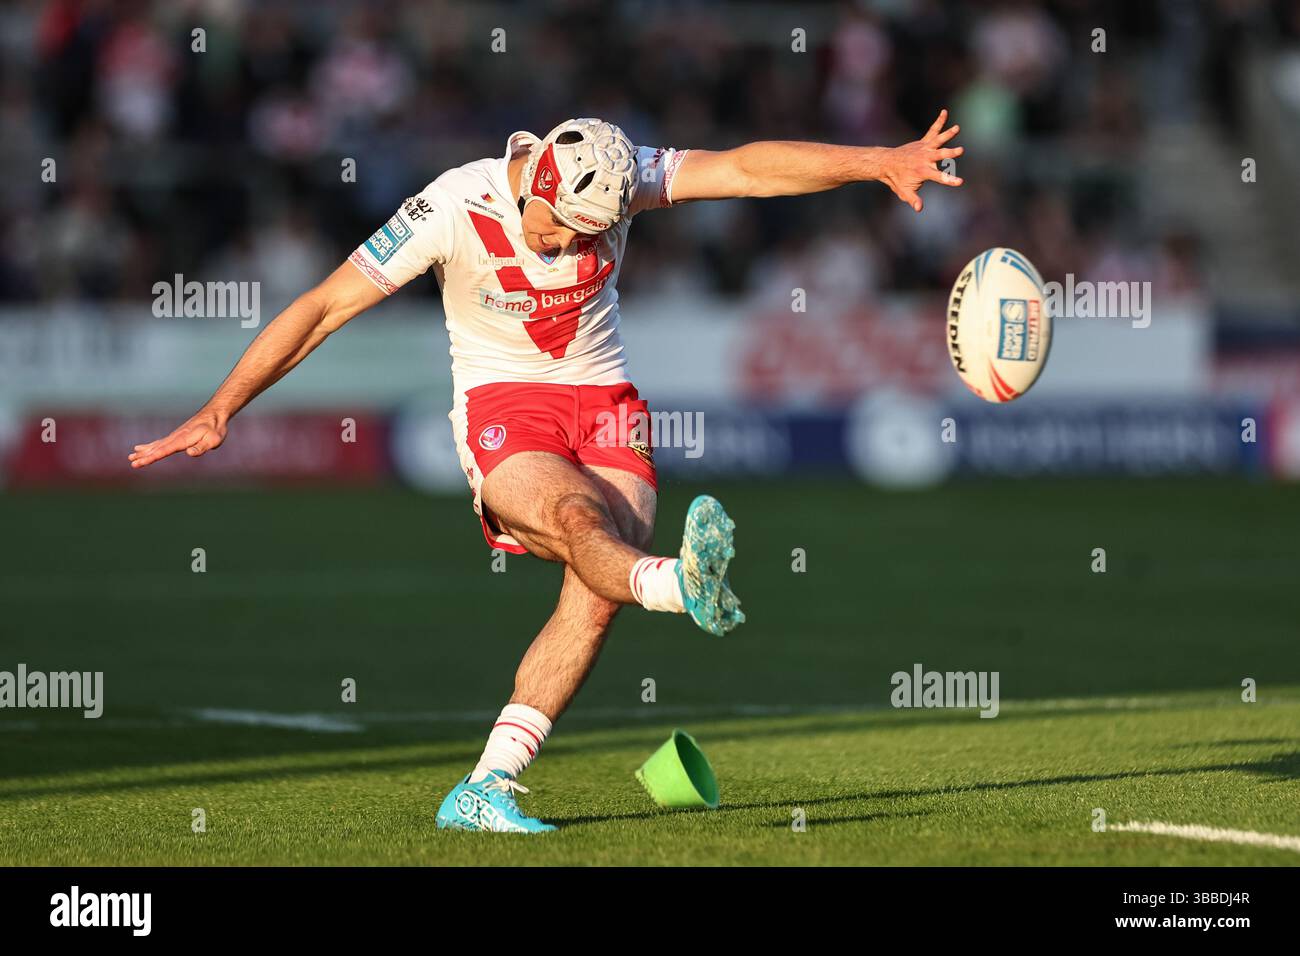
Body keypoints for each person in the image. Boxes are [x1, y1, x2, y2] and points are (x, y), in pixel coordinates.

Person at [129, 112, 963, 833]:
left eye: (586, 238)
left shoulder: (622, 176)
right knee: (578, 526)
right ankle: (680, 586)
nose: (566, 248)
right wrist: (222, 405)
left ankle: (486, 785)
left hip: (605, 400)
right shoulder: (451, 205)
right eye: (560, 227)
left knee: (595, 598)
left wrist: (877, 161)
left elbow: (745, 168)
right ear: (536, 183)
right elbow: (324, 305)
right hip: (504, 406)